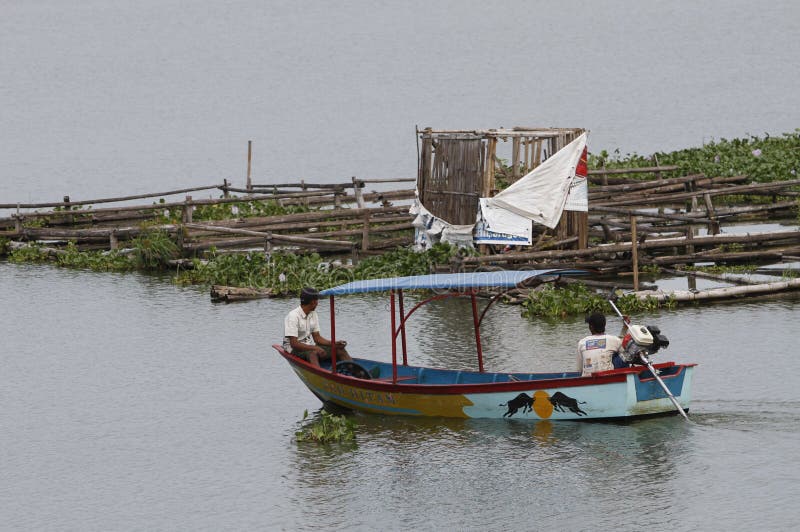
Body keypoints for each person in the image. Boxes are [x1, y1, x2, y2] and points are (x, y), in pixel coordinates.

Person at [283, 287, 352, 368]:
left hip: (308, 346)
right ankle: (321, 375)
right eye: (317, 300)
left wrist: (334, 343)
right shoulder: (293, 316)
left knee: (339, 349)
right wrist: (315, 348)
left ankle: (355, 372)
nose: (317, 303)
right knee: (313, 354)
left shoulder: (313, 314)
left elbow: (317, 338)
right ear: (313, 302)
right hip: (293, 349)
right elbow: (294, 344)